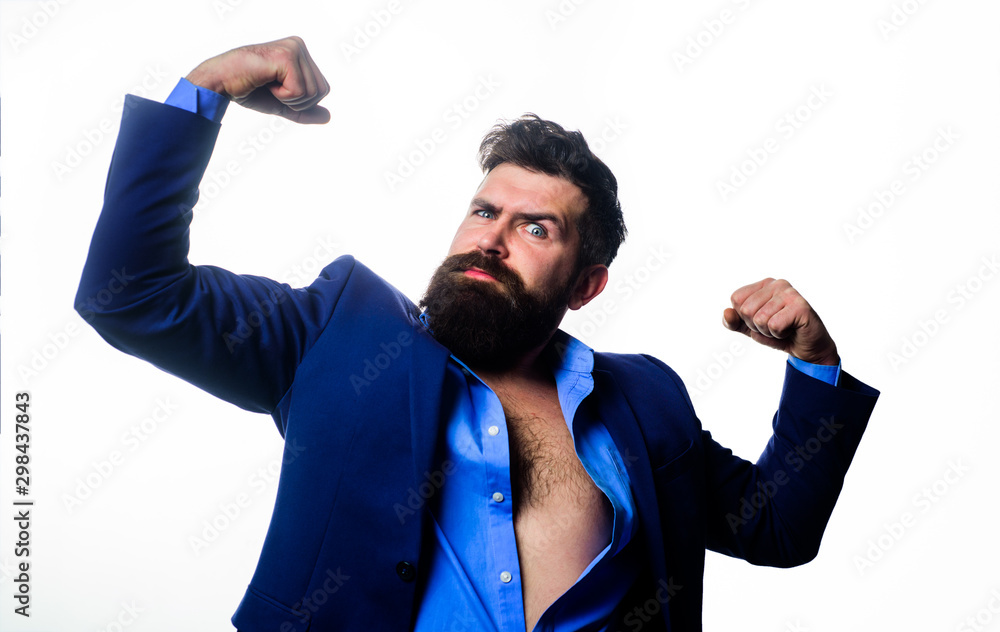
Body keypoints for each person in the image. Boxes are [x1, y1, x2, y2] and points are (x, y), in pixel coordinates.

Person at [75, 36, 879, 632]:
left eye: (535, 228)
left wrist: (815, 363)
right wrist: (206, 87)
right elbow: (132, 294)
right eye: (484, 211)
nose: (491, 239)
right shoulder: (337, 333)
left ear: (587, 284)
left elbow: (775, 527)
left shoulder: (645, 400)